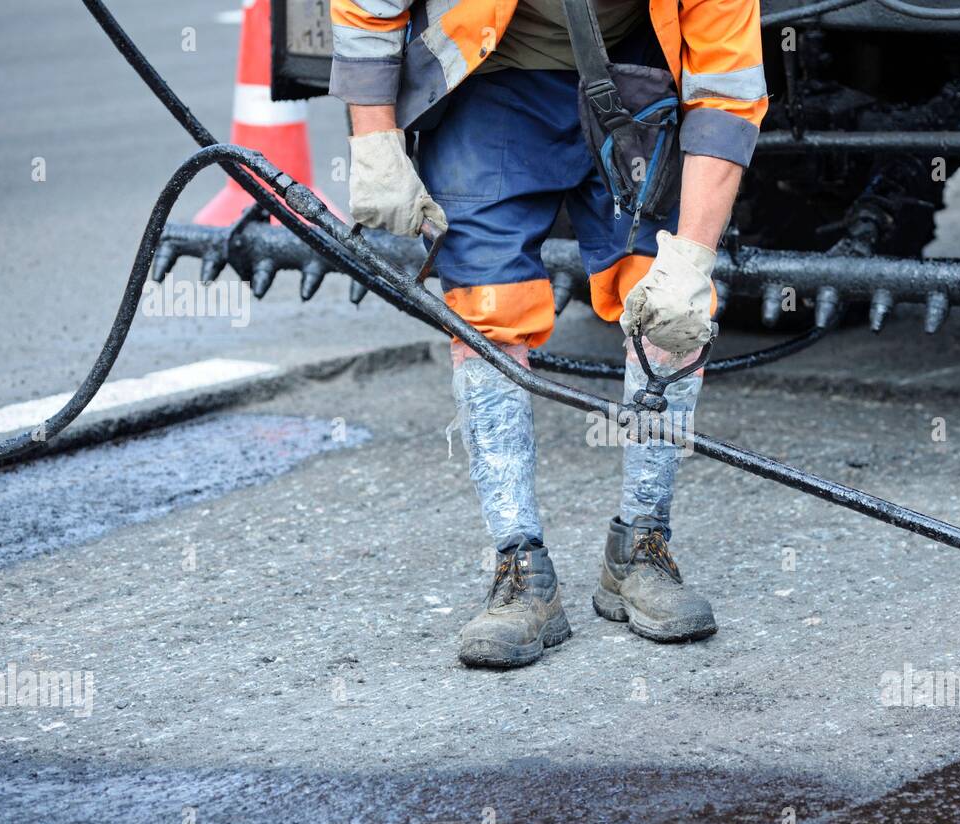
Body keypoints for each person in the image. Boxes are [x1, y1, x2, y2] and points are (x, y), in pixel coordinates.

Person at [329, 0, 767, 667]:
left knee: (667, 307)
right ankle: (519, 569)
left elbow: (726, 89)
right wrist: (374, 138)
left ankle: (642, 548)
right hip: (491, 79)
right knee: (489, 309)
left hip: (632, 72)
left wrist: (693, 257)